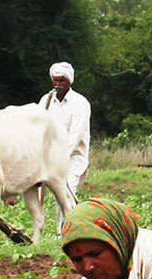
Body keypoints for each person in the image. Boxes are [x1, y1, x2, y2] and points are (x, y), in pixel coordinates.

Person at [40, 62, 91, 228]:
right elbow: (38, 126)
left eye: (61, 80)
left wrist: (60, 156)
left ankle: (65, 233)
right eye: (55, 80)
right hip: (49, 156)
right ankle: (43, 230)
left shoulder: (80, 103)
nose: (58, 84)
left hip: (73, 156)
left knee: (66, 192)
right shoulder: (46, 101)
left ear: (69, 81)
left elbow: (75, 135)